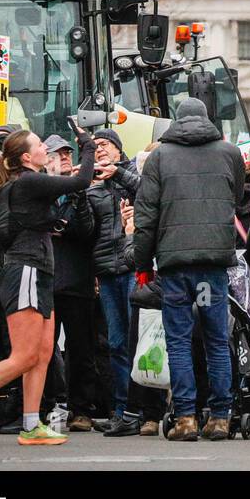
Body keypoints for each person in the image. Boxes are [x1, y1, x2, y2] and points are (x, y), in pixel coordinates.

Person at [0, 123, 96, 446]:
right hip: (26, 270)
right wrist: (87, 143)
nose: (46, 148)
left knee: (42, 353)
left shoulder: (24, 185)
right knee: (25, 355)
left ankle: (30, 425)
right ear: (27, 158)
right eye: (40, 144)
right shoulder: (27, 183)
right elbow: (83, 181)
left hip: (39, 272)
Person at [131, 98, 245, 442]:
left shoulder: (160, 157)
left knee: (179, 341)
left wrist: (142, 263)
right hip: (213, 263)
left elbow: (146, 216)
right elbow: (235, 197)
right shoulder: (229, 153)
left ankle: (185, 417)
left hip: (175, 263)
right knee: (216, 339)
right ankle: (221, 416)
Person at [86, 130, 142, 436]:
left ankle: (144, 409)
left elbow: (151, 193)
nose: (98, 151)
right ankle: (122, 410)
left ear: (119, 150)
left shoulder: (134, 175)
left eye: (103, 145)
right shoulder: (95, 189)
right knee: (117, 343)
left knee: (139, 343)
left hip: (134, 269)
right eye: (93, 148)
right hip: (108, 272)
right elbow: (87, 231)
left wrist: (119, 173)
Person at [42, 134, 99, 432]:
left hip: (77, 280)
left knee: (81, 351)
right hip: (47, 282)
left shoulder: (80, 191)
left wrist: (78, 200)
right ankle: (49, 403)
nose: (65, 157)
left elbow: (85, 231)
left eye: (68, 153)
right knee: (44, 350)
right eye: (57, 154)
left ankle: (81, 409)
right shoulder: (40, 189)